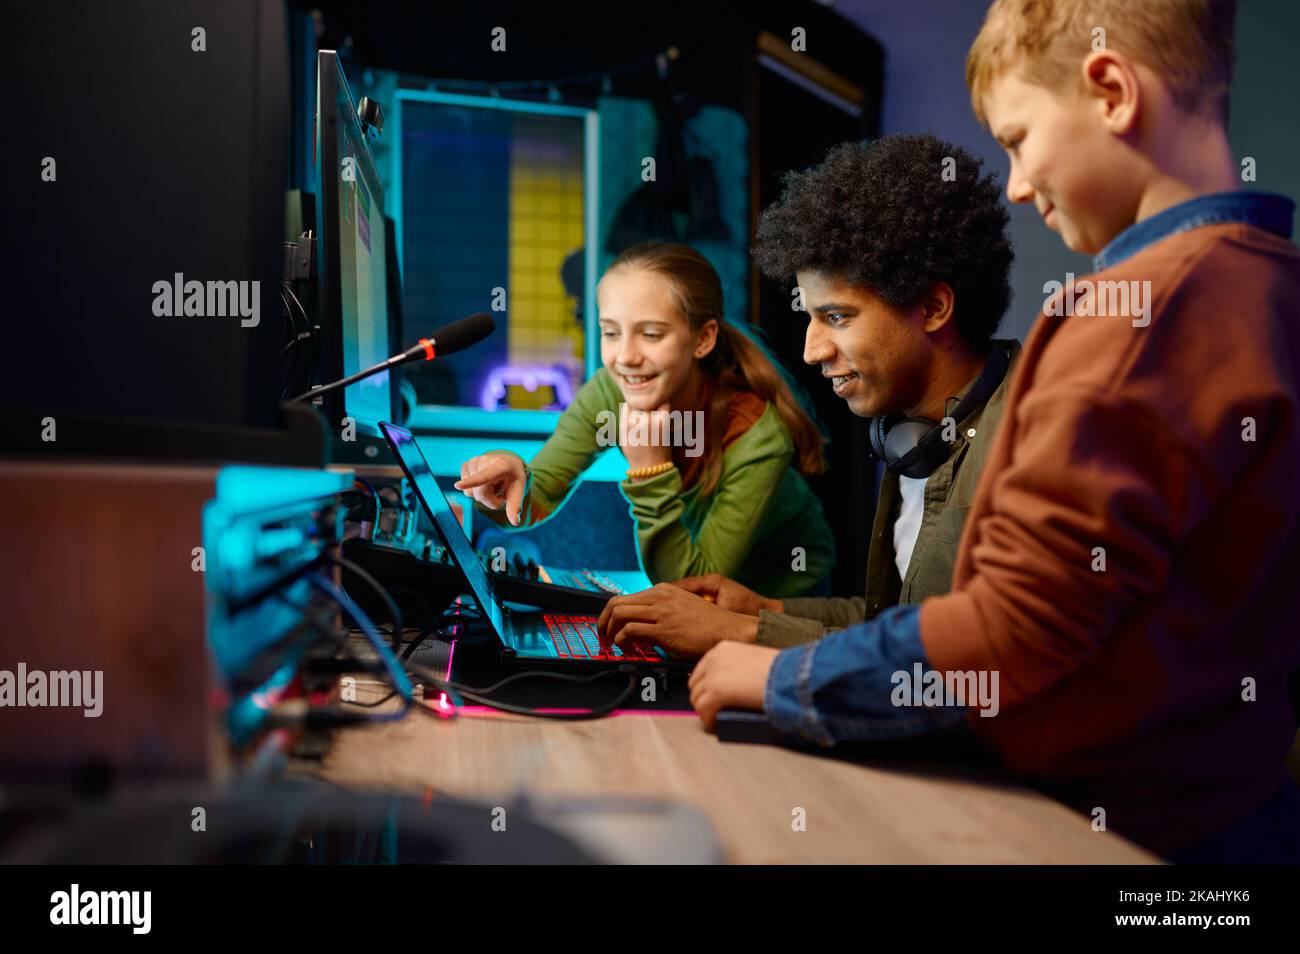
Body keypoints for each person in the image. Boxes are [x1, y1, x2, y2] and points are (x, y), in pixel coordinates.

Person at [613, 0, 1300, 862]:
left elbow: (1010, 633)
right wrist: (771, 615)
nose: (1016, 183)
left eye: (1018, 138)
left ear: (1112, 91)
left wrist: (780, 669)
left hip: (1113, 838)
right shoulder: (1269, 280)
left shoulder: (1132, 315)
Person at [597, 135, 1019, 657]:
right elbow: (889, 622)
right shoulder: (913, 439)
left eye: (837, 317)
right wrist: (762, 610)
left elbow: (953, 660)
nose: (812, 350)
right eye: (810, 317)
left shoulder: (1026, 442)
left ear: (933, 308)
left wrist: (740, 634)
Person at [455, 241, 835, 598]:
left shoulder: (758, 433)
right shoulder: (609, 392)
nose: (625, 357)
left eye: (651, 334)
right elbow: (535, 498)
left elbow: (694, 588)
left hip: (785, 595)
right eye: (610, 333)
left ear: (703, 339)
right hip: (696, 589)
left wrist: (651, 472)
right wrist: (505, 484)